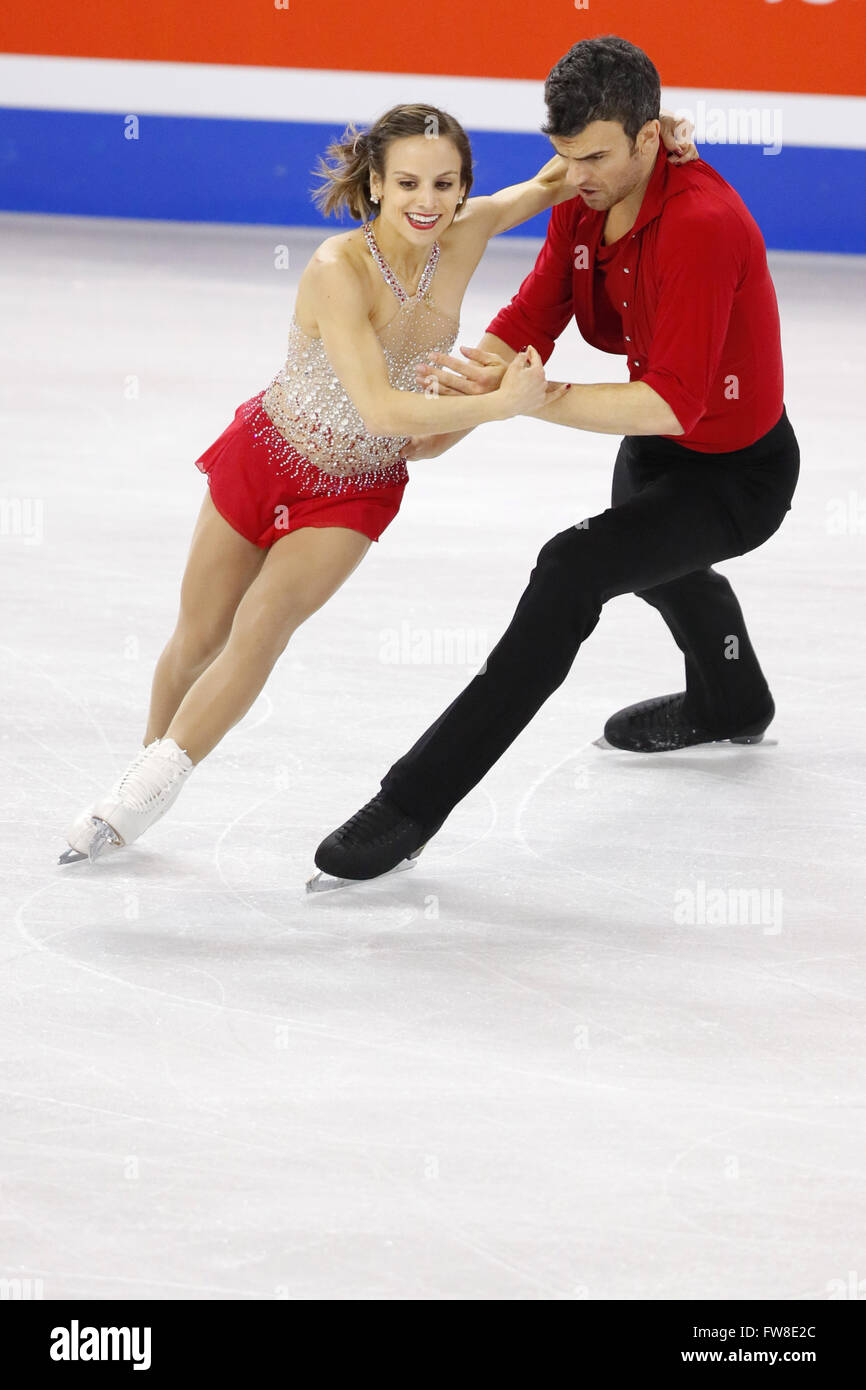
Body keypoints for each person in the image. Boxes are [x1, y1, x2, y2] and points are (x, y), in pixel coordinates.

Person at [59, 102, 691, 864]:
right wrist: (499, 404)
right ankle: (144, 767)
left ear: (464, 188)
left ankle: (134, 802)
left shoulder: (471, 230)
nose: (427, 202)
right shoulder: (338, 269)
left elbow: (561, 177)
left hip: (354, 489)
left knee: (263, 625)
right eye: (409, 183)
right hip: (266, 453)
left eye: (445, 184)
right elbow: (381, 408)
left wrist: (653, 129)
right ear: (377, 185)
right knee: (198, 637)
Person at [312, 35, 800, 888]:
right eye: (565, 155)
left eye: (597, 157)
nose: (576, 176)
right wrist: (463, 411)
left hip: (738, 472)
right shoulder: (585, 197)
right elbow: (535, 314)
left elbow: (670, 403)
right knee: (656, 562)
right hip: (656, 453)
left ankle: (412, 803)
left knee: (573, 568)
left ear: (650, 136)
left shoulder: (702, 225)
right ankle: (733, 699)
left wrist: (525, 402)